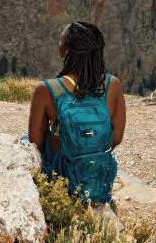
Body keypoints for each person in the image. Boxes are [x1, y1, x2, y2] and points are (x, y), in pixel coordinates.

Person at [26, 21, 126, 205]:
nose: (58, 43)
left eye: (61, 40)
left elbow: (35, 143)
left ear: (66, 51)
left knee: (24, 141)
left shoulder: (47, 89)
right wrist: (89, 152)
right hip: (97, 176)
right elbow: (116, 138)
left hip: (61, 178)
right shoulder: (113, 85)